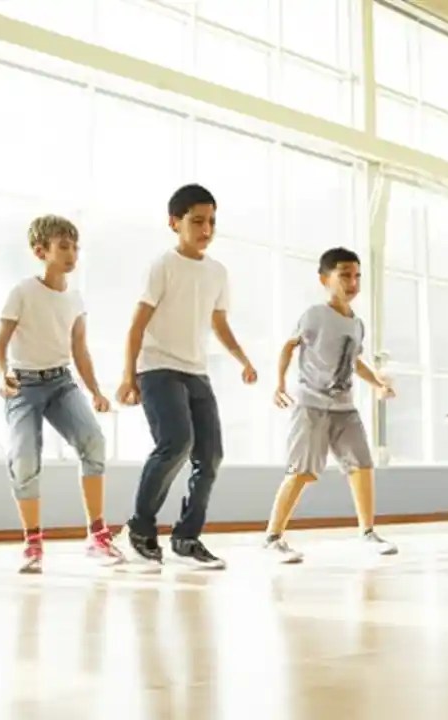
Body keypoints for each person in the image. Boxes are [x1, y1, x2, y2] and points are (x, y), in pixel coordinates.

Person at [115, 184, 257, 570]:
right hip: (158, 367)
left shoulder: (217, 272)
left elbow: (219, 322)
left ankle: (186, 537)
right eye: (196, 221)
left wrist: (242, 358)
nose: (206, 229)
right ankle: (140, 529)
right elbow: (136, 325)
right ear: (174, 222)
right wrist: (128, 377)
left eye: (211, 221)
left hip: (197, 371)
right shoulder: (162, 266)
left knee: (210, 455)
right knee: (175, 443)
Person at [0, 215, 121, 573]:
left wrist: (95, 391)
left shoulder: (76, 298)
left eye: (75, 247)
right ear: (40, 251)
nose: (72, 254)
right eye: (63, 246)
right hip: (23, 384)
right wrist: (1, 374)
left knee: (93, 442)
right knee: (24, 459)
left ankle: (97, 536)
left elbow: (80, 348)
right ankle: (33, 544)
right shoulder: (22, 292)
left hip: (62, 382)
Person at [262, 247, 399, 563]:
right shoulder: (314, 315)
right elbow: (289, 346)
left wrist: (377, 381)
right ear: (325, 279)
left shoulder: (357, 323)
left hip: (344, 408)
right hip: (311, 406)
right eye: (344, 275)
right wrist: (280, 383)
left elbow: (355, 362)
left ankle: (367, 533)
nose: (352, 282)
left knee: (362, 466)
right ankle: (272, 537)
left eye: (357, 276)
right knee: (302, 471)